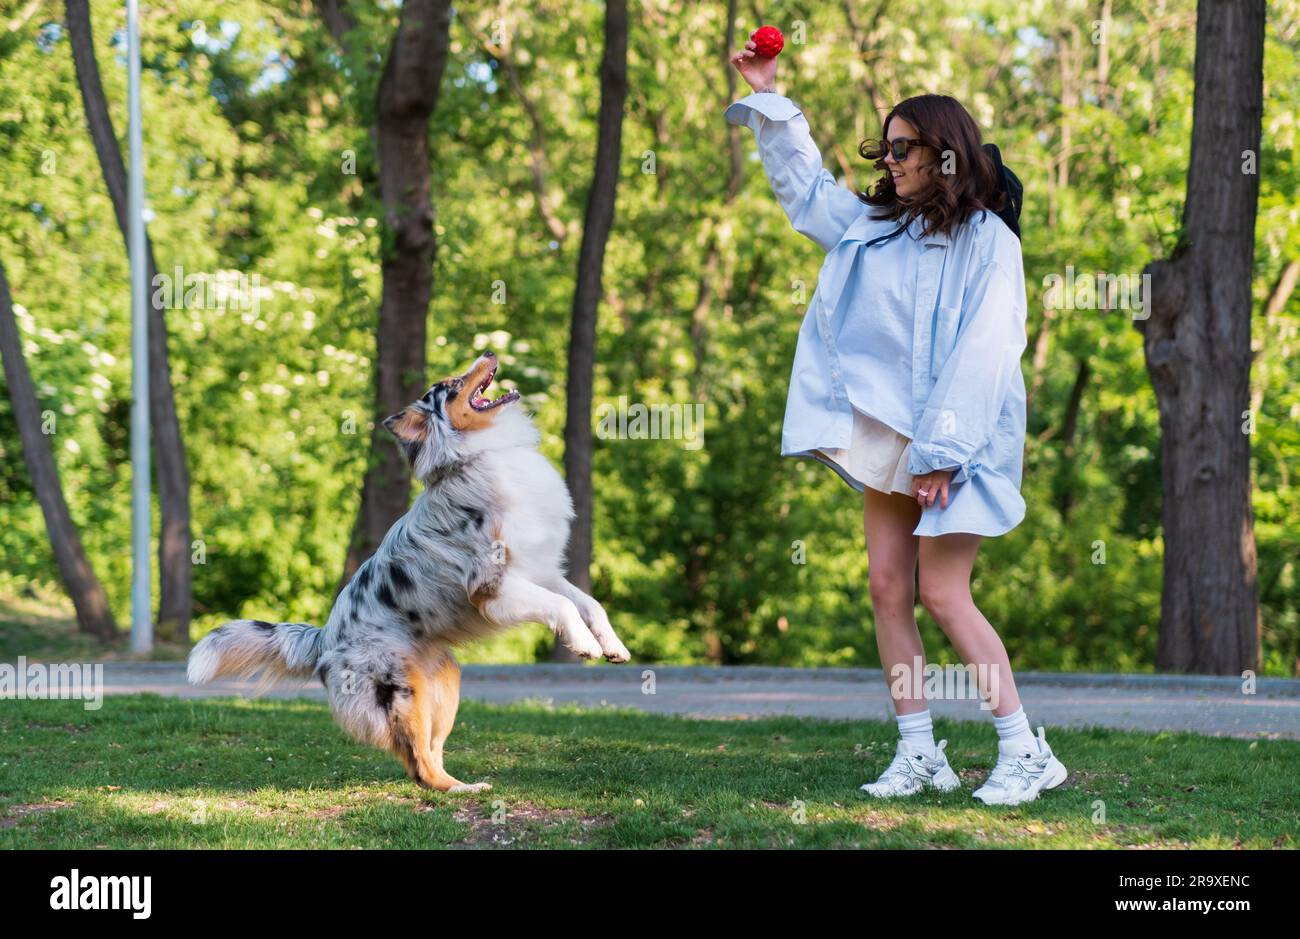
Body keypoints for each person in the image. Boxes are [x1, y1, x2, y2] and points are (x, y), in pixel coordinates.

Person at [726, 39, 1067, 805]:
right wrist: (770, 97)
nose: (891, 161)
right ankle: (921, 753)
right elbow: (808, 192)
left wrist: (943, 452)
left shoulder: (990, 243)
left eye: (904, 147)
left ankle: (1025, 749)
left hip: (961, 444)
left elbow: (987, 352)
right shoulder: (879, 229)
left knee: (945, 594)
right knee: (887, 587)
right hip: (891, 441)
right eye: (886, 148)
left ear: (946, 152)